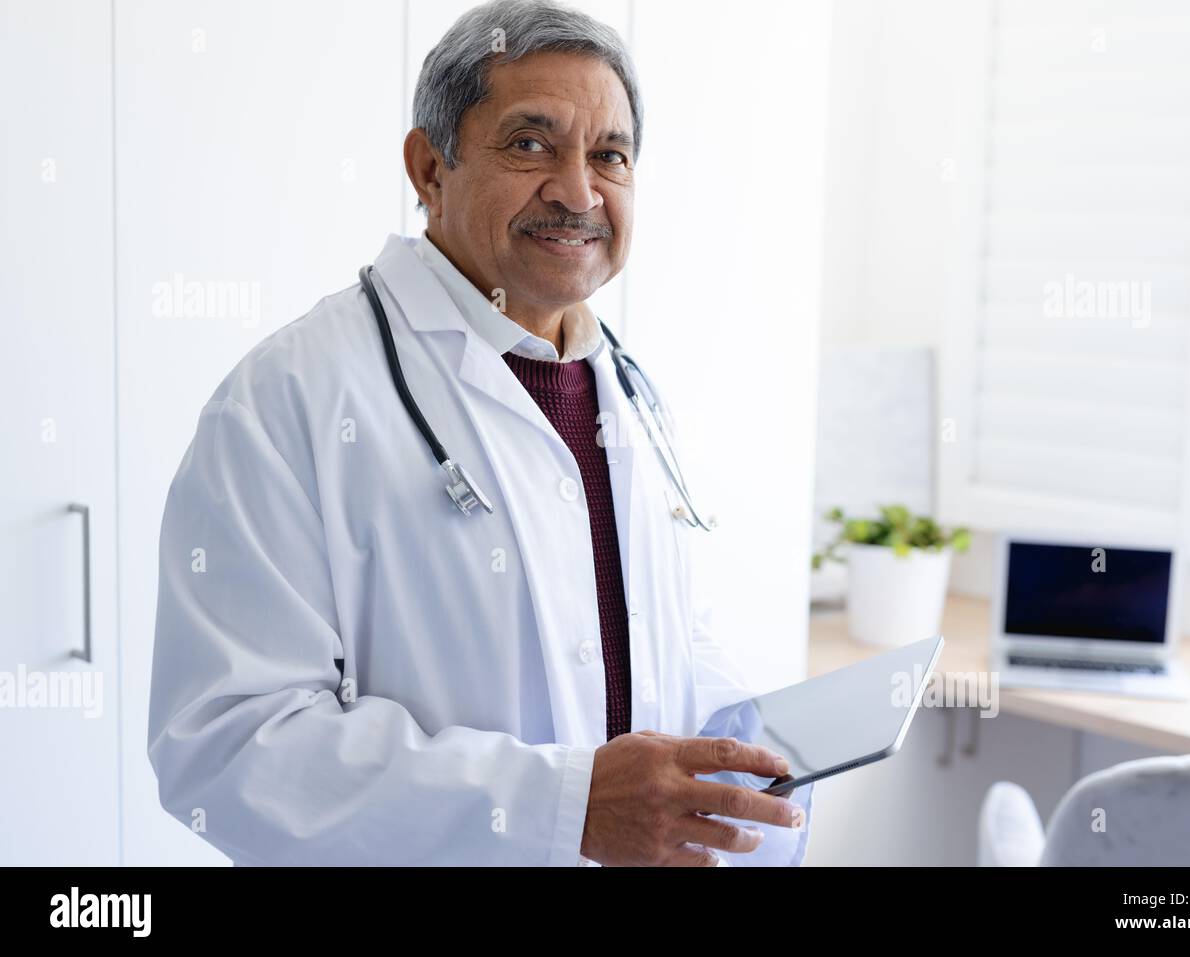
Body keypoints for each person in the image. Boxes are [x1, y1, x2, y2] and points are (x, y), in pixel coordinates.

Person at [148, 0, 813, 866]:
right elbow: (226, 749)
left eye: (609, 155)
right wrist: (562, 806)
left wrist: (749, 756)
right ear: (429, 168)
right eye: (531, 144)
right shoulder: (288, 399)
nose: (578, 193)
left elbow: (659, 641)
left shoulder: (626, 389)